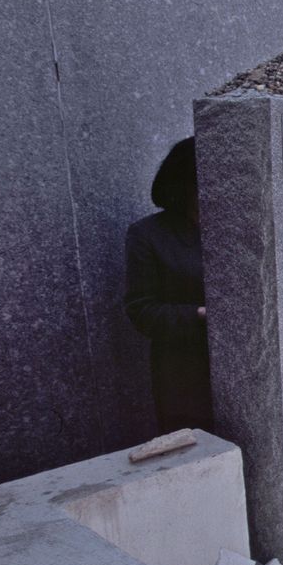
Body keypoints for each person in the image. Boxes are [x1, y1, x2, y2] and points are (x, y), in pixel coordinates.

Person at [124, 137, 214, 432]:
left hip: (248, 369)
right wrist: (200, 314)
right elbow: (141, 309)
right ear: (185, 182)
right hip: (185, 377)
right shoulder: (148, 235)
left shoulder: (240, 226)